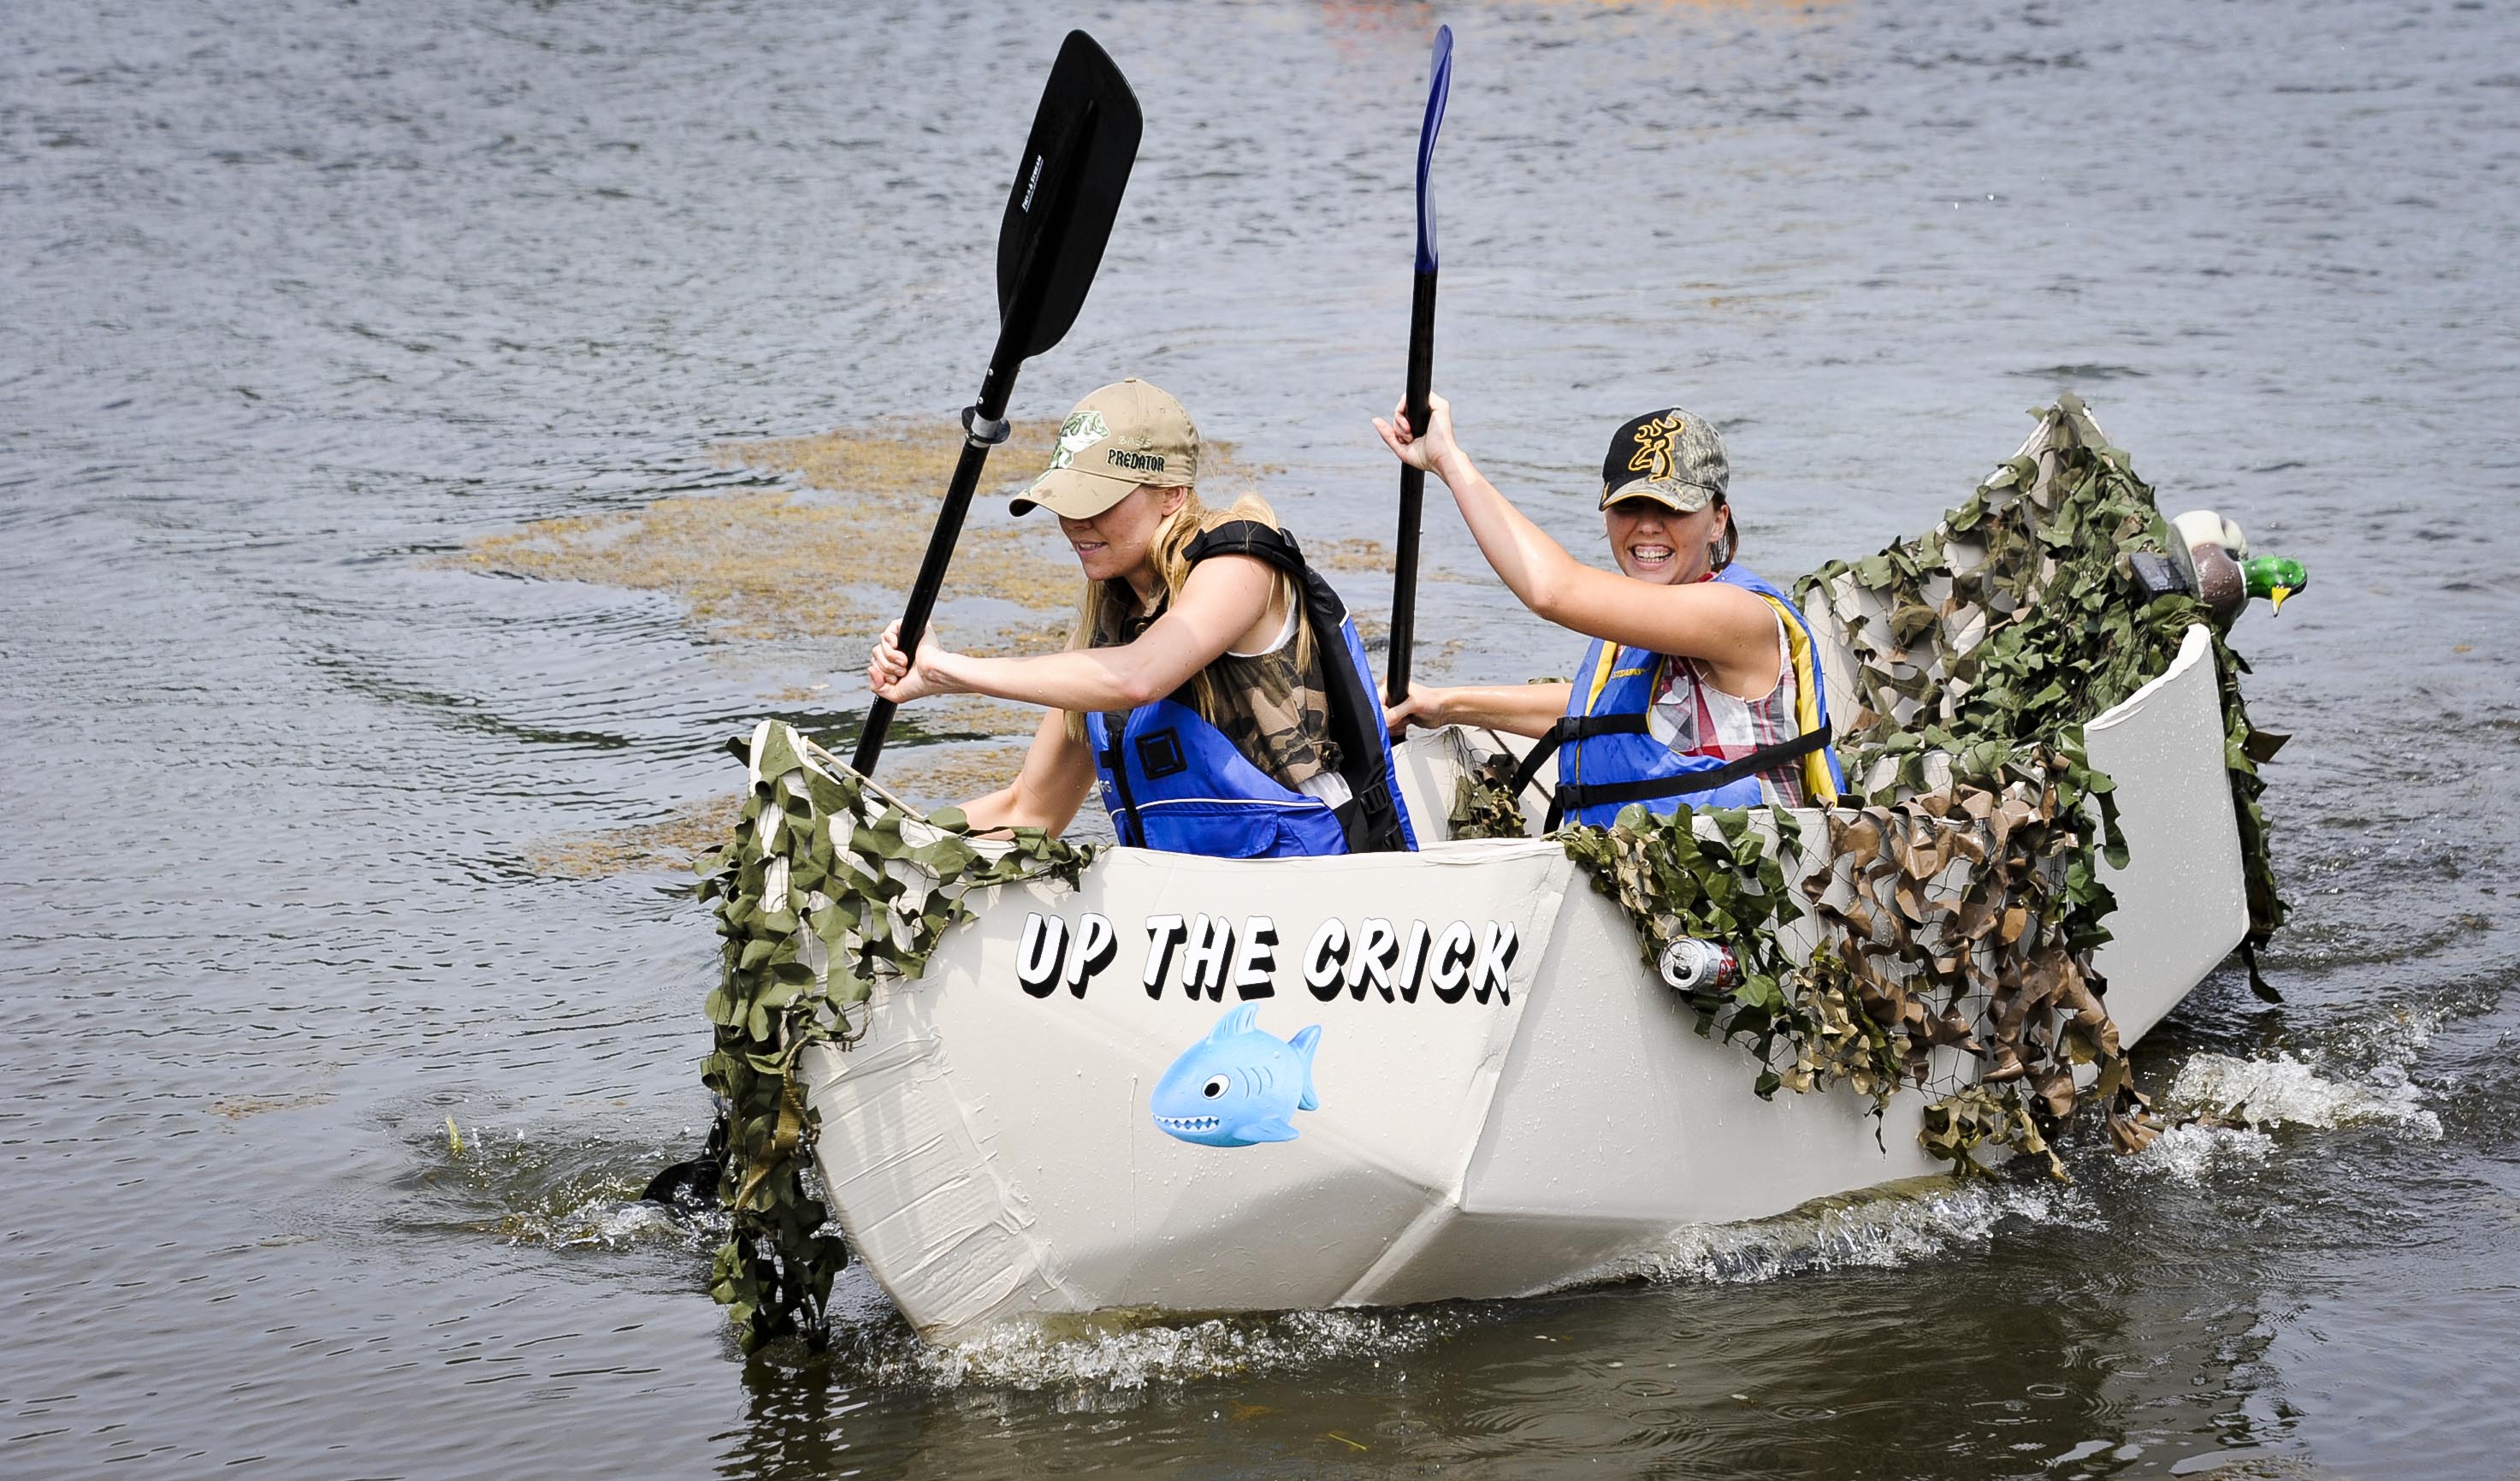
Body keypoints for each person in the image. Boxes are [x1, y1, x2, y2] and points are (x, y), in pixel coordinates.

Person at [869, 378, 1413, 858]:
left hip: (1321, 888)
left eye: (1097, 501)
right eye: (1065, 502)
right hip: (1188, 916)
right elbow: (1030, 812)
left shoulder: (1241, 565)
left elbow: (1139, 677)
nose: (1075, 523)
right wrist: (878, 844)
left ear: (1172, 493)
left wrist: (944, 672)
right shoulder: (1110, 625)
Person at [1374, 394, 1842, 827]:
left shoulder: (1736, 615)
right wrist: (1448, 705)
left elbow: (1552, 593)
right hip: (1645, 883)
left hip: (1747, 896)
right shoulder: (1647, 626)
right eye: (1628, 506)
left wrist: (1449, 462)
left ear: (1719, 519)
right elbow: (1594, 711)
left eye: (1672, 508)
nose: (1647, 527)